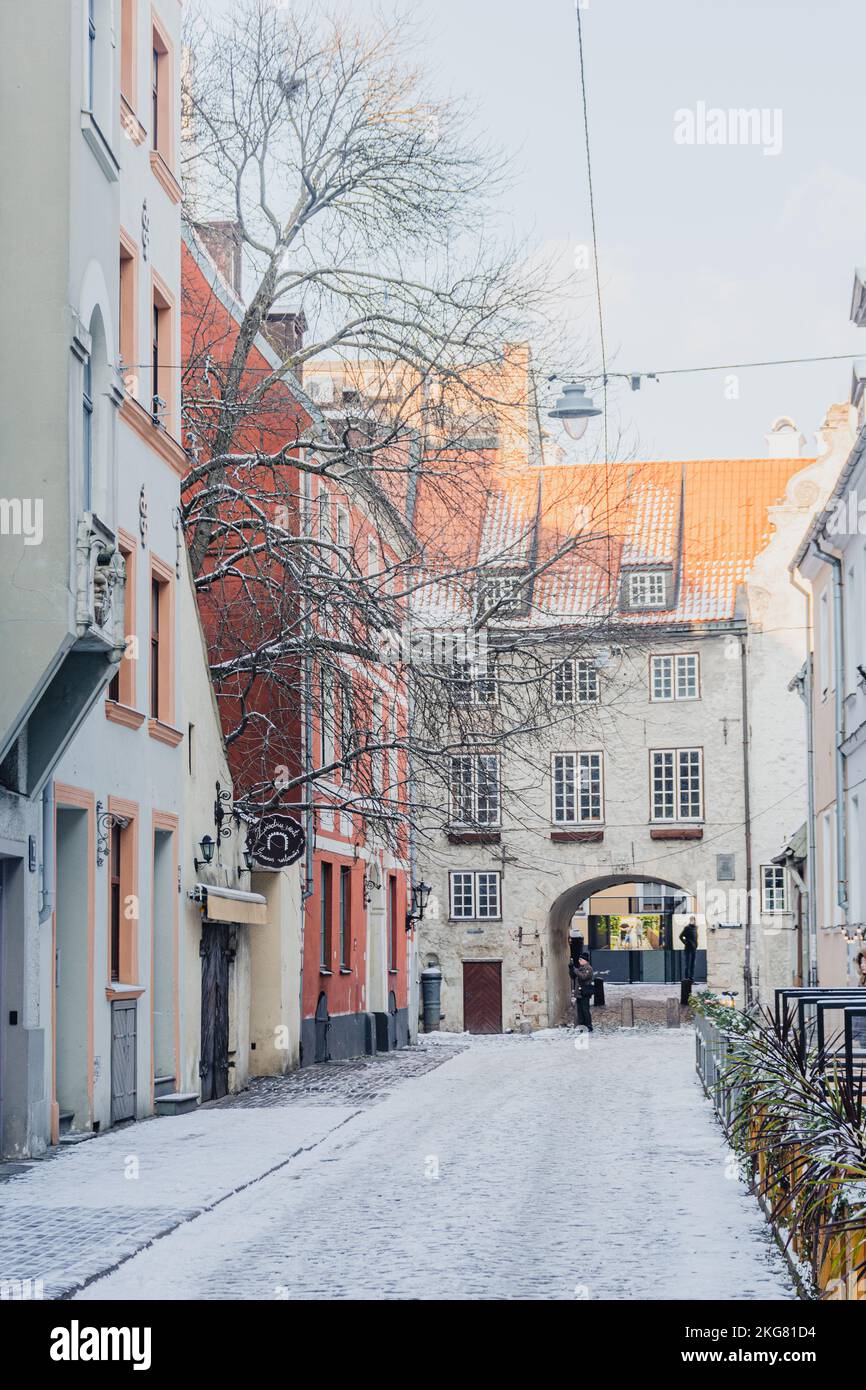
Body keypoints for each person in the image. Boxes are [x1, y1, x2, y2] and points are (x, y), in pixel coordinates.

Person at [570, 954, 595, 1031]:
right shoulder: (581, 968)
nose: (579, 961)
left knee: (585, 1010)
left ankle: (589, 1026)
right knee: (580, 1011)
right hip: (579, 993)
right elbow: (573, 977)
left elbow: (583, 977)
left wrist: (575, 970)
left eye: (580, 959)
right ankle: (582, 1025)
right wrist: (571, 969)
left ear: (585, 960)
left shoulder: (588, 968)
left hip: (584, 992)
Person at [679, 917, 698, 981]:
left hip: (694, 949)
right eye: (692, 920)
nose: (693, 921)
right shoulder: (687, 928)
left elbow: (695, 938)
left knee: (693, 965)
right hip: (688, 949)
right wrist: (686, 943)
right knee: (688, 964)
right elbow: (680, 936)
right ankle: (686, 978)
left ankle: (691, 979)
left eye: (694, 920)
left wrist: (696, 945)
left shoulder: (695, 928)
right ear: (690, 921)